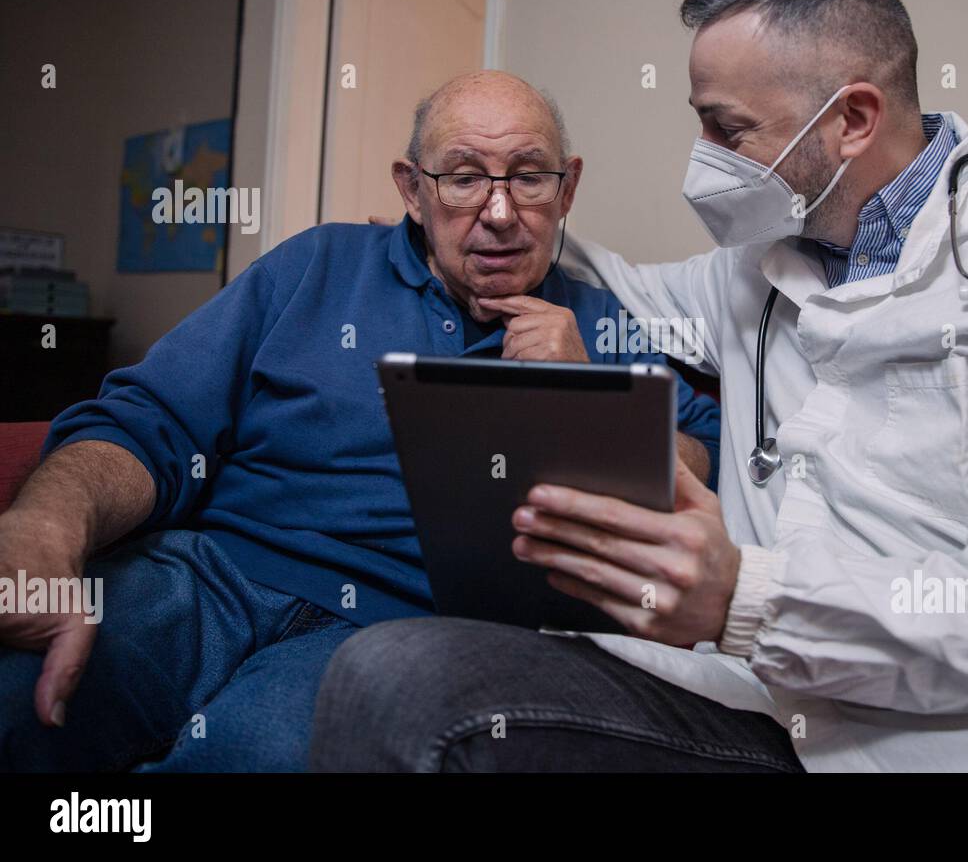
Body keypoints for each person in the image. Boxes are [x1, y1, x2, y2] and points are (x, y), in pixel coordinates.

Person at [309, 0, 968, 773]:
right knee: (398, 671)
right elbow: (593, 268)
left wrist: (753, 598)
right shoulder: (754, 269)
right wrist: (485, 194)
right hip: (760, 711)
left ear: (851, 119)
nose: (702, 157)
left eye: (726, 129)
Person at [0, 72, 721, 771]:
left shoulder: (599, 322)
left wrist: (585, 393)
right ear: (412, 190)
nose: (500, 213)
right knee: (16, 696)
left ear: (567, 190)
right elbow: (149, 418)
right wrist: (45, 526)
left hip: (393, 634)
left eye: (529, 176)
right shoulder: (318, 264)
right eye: (464, 178)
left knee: (250, 757)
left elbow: (704, 455)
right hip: (211, 574)